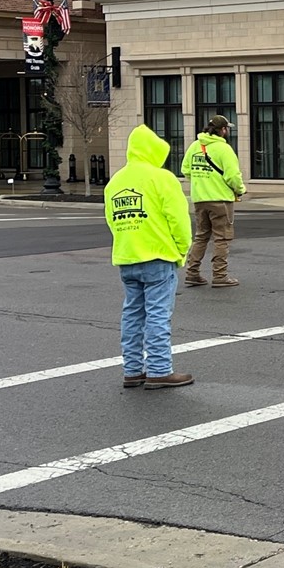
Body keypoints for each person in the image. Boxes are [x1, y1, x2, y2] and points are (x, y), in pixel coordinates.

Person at [105, 125, 195, 389]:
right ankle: (159, 370)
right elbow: (178, 220)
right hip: (158, 255)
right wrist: (181, 249)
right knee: (157, 314)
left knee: (132, 313)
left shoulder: (115, 182)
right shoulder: (162, 178)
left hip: (127, 255)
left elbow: (111, 219)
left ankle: (132, 370)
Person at [182, 114, 247, 288]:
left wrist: (201, 183)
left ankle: (192, 273)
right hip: (220, 199)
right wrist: (240, 190)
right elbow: (233, 175)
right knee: (222, 238)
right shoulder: (224, 149)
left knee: (201, 236)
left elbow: (185, 169)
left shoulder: (195, 146)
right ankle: (220, 275)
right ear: (223, 130)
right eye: (227, 129)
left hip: (200, 199)